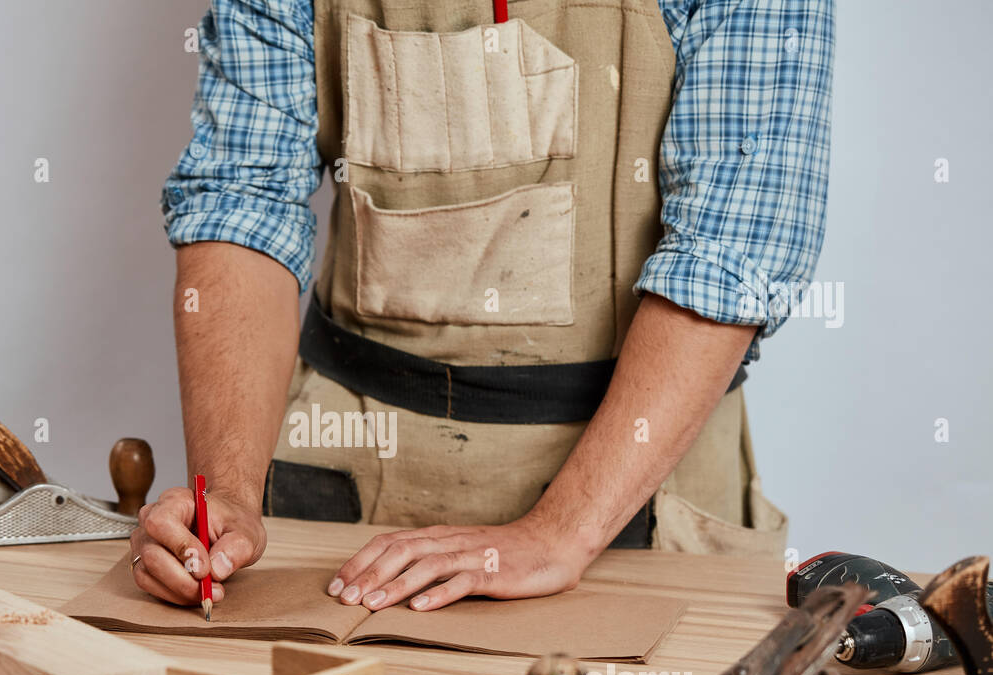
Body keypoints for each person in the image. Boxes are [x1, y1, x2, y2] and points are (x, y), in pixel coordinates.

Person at [131, 0, 834, 614]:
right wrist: (226, 492)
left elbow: (734, 251)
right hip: (345, 487)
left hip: (640, 499)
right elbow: (242, 199)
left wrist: (559, 531)